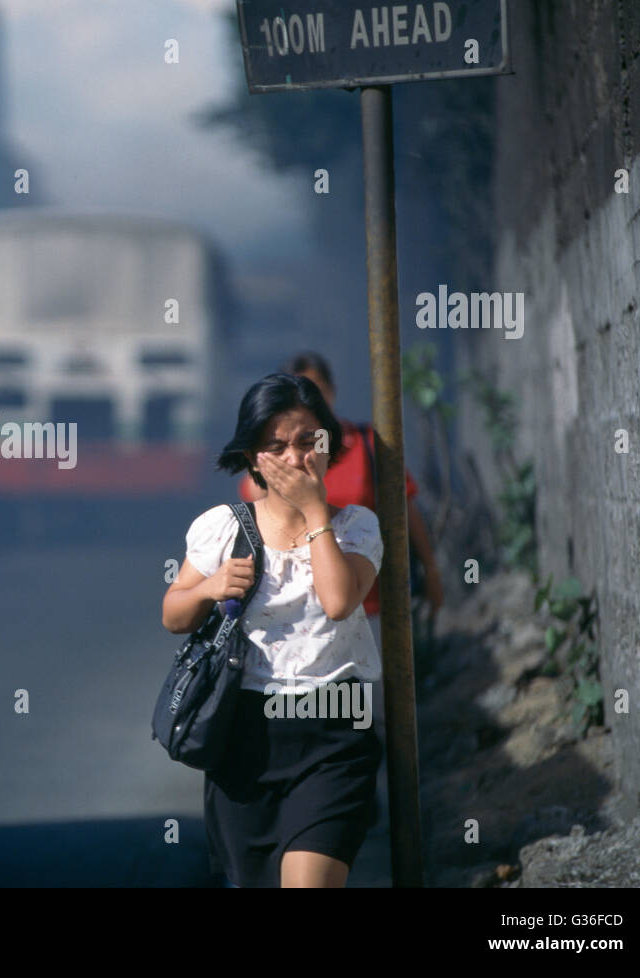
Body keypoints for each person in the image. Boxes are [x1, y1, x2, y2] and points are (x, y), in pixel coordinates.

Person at [162, 373, 383, 887]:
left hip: (334, 735)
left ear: (330, 447)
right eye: (276, 445)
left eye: (310, 442)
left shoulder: (356, 527)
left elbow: (338, 601)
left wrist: (312, 513)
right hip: (245, 741)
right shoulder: (224, 527)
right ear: (252, 457)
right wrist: (207, 588)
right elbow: (173, 614)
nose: (295, 457)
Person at [239, 352, 444, 655]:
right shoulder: (273, 461)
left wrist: (430, 569)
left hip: (372, 601)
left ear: (331, 392)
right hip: (296, 615)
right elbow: (257, 519)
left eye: (314, 390)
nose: (307, 400)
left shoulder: (366, 446)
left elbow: (406, 510)